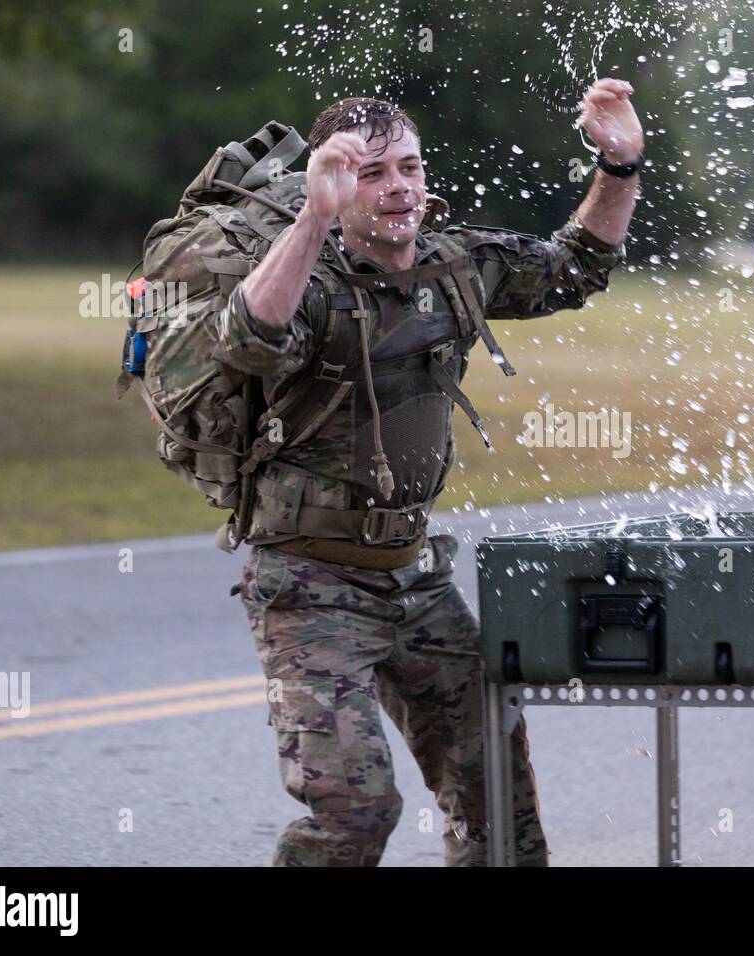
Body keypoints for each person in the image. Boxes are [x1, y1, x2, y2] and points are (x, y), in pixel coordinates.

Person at [217, 78, 643, 866]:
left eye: (409, 168)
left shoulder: (457, 266)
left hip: (415, 579)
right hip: (310, 591)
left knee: (498, 797)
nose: (398, 189)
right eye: (370, 174)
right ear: (333, 186)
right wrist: (312, 216)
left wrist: (618, 168)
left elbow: (576, 267)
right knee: (353, 813)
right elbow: (250, 336)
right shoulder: (309, 281)